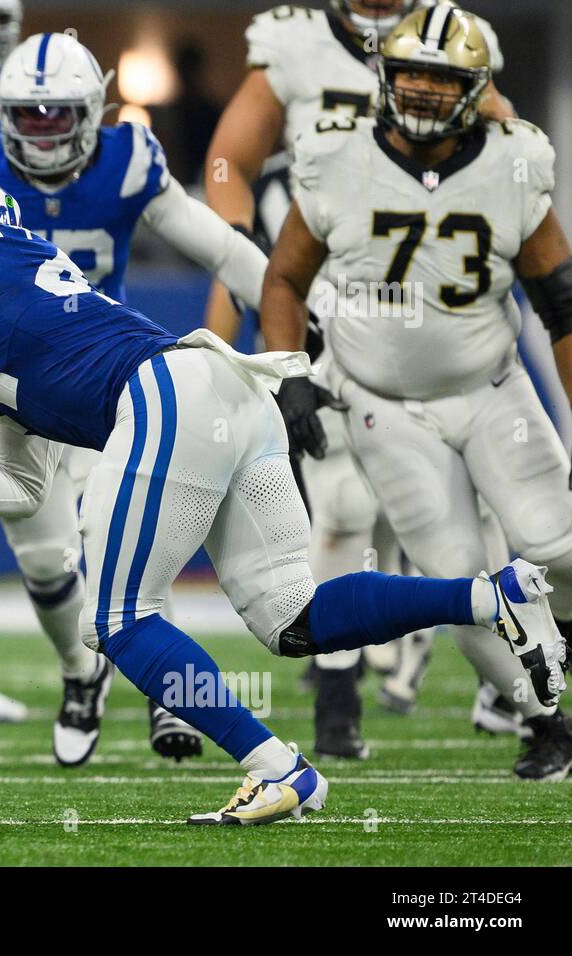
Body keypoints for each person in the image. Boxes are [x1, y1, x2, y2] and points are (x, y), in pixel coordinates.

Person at [0, 175, 566, 821]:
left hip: (169, 394)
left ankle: (278, 766)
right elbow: (20, 489)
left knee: (123, 621)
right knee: (289, 615)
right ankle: (497, 595)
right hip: (223, 394)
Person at [0, 32, 273, 765]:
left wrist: (285, 312)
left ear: (93, 110)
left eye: (59, 115)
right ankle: (81, 676)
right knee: (46, 562)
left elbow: (220, 248)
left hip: (104, 380)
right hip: (10, 392)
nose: (44, 129)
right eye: (29, 114)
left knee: (132, 533)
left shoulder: (127, 161)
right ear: (1, 111)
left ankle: (165, 692)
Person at [259, 4, 572, 780]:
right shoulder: (335, 157)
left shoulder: (514, 159)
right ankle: (545, 723)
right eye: (412, 75)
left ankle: (551, 644)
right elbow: (285, 277)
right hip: (383, 405)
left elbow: (561, 302)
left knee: (557, 544)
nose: (426, 92)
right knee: (459, 583)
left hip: (491, 387)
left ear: (477, 87)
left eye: (445, 79)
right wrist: (289, 372)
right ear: (383, 78)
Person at [200, 0, 514, 755]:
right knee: (340, 503)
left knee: (490, 505)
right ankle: (340, 697)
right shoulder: (296, 46)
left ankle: (516, 678)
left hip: (435, 293)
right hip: (334, 291)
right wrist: (239, 263)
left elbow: (511, 152)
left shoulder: (453, 40)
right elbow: (225, 167)